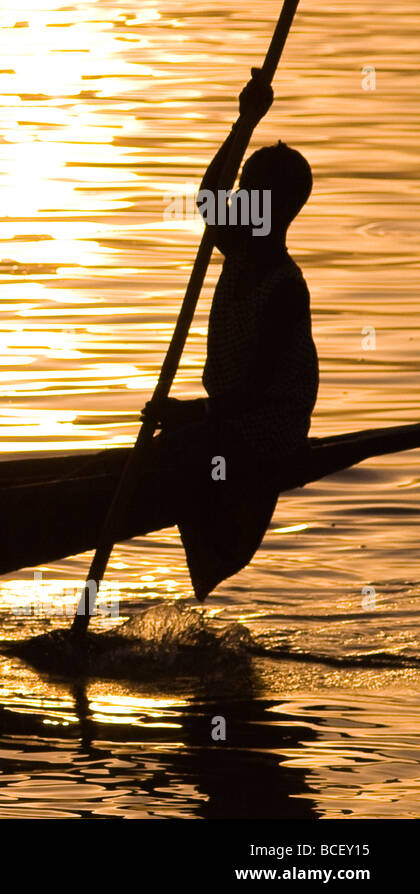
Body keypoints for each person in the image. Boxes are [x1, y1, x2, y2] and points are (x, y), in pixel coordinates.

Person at [143, 73, 318, 600]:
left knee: (178, 452)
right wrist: (246, 120)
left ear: (273, 208)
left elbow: (257, 392)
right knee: (172, 448)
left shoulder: (285, 287)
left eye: (248, 192)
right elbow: (207, 198)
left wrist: (191, 414)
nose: (236, 199)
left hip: (265, 426)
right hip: (226, 418)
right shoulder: (240, 252)